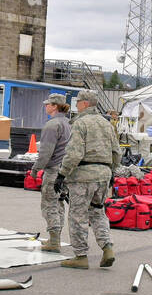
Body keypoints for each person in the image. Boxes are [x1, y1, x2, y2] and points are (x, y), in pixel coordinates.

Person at [54, 90, 118, 269]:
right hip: (103, 174)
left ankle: (80, 255)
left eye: (78, 101)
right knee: (98, 211)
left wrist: (62, 174)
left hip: (83, 175)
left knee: (77, 215)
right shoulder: (106, 124)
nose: (76, 104)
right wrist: (111, 172)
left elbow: (74, 153)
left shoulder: (80, 123)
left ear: (85, 104)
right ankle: (107, 247)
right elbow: (116, 152)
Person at [33, 93, 71, 252]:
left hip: (53, 170)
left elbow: (46, 152)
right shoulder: (69, 123)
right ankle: (55, 238)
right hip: (66, 171)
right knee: (59, 203)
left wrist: (36, 169)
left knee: (50, 204)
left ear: (55, 106)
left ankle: (54, 241)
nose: (45, 106)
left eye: (48, 104)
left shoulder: (52, 125)